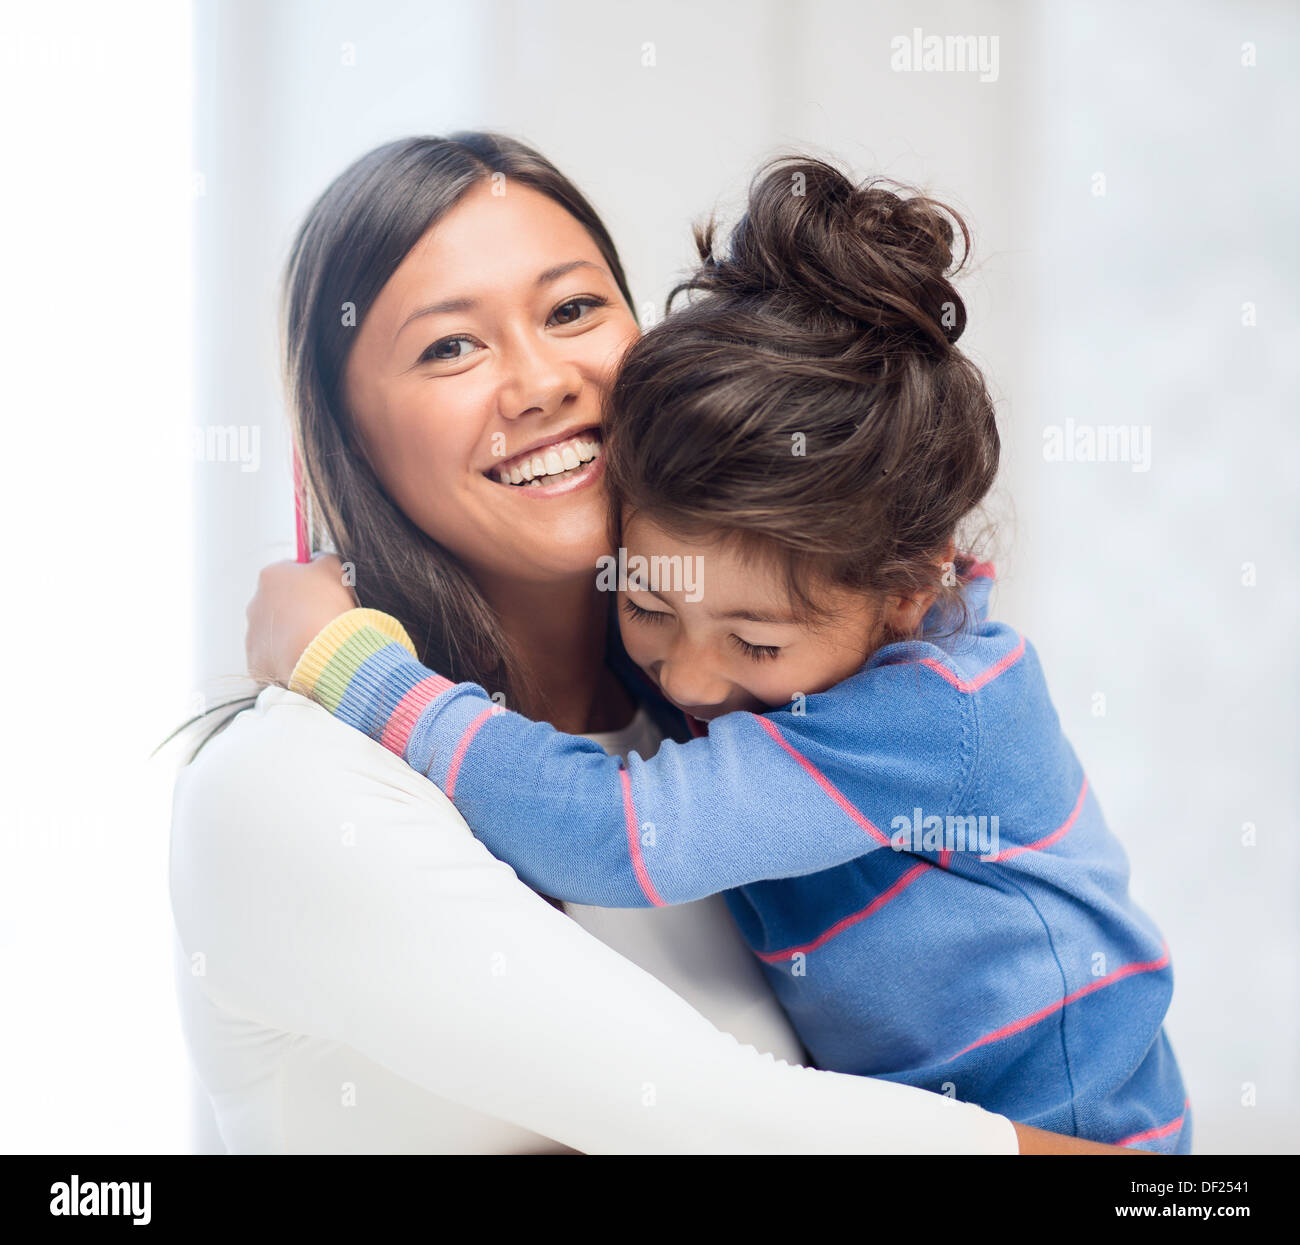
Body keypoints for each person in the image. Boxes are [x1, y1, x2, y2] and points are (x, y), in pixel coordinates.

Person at [187, 132, 1133, 1153]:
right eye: (450, 346)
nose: (540, 381)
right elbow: (721, 1127)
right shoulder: (289, 784)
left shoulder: (708, 726)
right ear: (340, 436)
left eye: (571, 309)